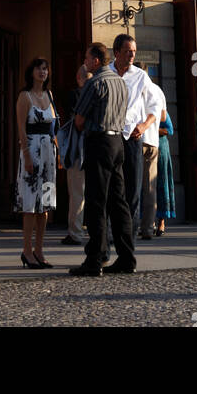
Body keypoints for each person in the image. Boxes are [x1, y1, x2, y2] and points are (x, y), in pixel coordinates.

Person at [69, 42, 136, 277]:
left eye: (87, 58)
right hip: (118, 142)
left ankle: (94, 259)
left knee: (97, 201)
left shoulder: (95, 82)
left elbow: (79, 120)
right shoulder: (120, 81)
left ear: (96, 60)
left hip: (98, 142)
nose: (85, 62)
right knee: (119, 202)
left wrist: (86, 125)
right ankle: (127, 257)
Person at [110, 34, 161, 231]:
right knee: (113, 186)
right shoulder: (107, 73)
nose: (132, 55)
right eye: (127, 51)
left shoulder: (140, 76)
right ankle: (113, 229)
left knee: (133, 187)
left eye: (133, 51)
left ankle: (129, 231)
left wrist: (144, 126)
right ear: (116, 53)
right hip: (110, 137)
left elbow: (155, 107)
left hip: (132, 138)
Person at [15, 57, 57, 269]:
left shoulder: (50, 95)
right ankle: (26, 250)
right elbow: (21, 128)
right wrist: (26, 155)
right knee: (30, 204)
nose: (43, 72)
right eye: (39, 68)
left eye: (45, 69)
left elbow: (54, 125)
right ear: (31, 72)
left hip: (49, 152)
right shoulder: (25, 96)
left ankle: (40, 249)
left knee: (46, 205)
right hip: (31, 149)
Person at [60, 60, 90, 247]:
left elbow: (75, 120)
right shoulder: (94, 93)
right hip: (94, 148)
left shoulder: (74, 95)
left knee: (77, 193)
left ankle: (76, 232)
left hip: (79, 150)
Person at [139, 80, 166, 240]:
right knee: (150, 188)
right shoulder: (157, 89)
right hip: (153, 141)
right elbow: (162, 116)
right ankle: (148, 227)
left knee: (133, 186)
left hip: (139, 139)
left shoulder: (135, 85)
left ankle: (131, 226)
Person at [155, 106, 176, 235]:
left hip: (160, 147)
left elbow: (170, 129)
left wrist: (152, 129)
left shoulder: (160, 108)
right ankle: (148, 221)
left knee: (162, 183)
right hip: (143, 147)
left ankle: (161, 221)